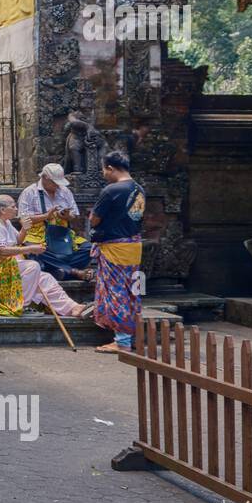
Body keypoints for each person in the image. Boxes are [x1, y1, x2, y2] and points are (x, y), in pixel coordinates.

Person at [0, 194, 92, 318]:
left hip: (10, 262)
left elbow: (17, 240)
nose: (16, 209)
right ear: (2, 210)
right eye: (13, 206)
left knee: (46, 278)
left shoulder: (6, 222)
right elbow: (1, 250)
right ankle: (23, 305)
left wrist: (24, 229)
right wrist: (30, 248)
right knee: (33, 266)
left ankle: (72, 308)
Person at [90, 151, 145, 354]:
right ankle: (134, 336)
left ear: (111, 168)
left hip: (114, 247)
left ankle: (121, 341)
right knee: (134, 291)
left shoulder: (112, 190)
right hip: (134, 245)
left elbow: (94, 220)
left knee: (116, 292)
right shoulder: (139, 189)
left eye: (104, 170)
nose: (104, 174)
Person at [17, 163, 94, 282]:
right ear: (45, 178)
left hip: (63, 235)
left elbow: (75, 215)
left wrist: (68, 216)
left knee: (89, 248)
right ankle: (73, 271)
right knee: (33, 250)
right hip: (38, 235)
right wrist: (46, 216)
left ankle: (58, 270)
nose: (57, 186)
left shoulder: (65, 191)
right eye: (55, 182)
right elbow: (23, 219)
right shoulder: (29, 192)